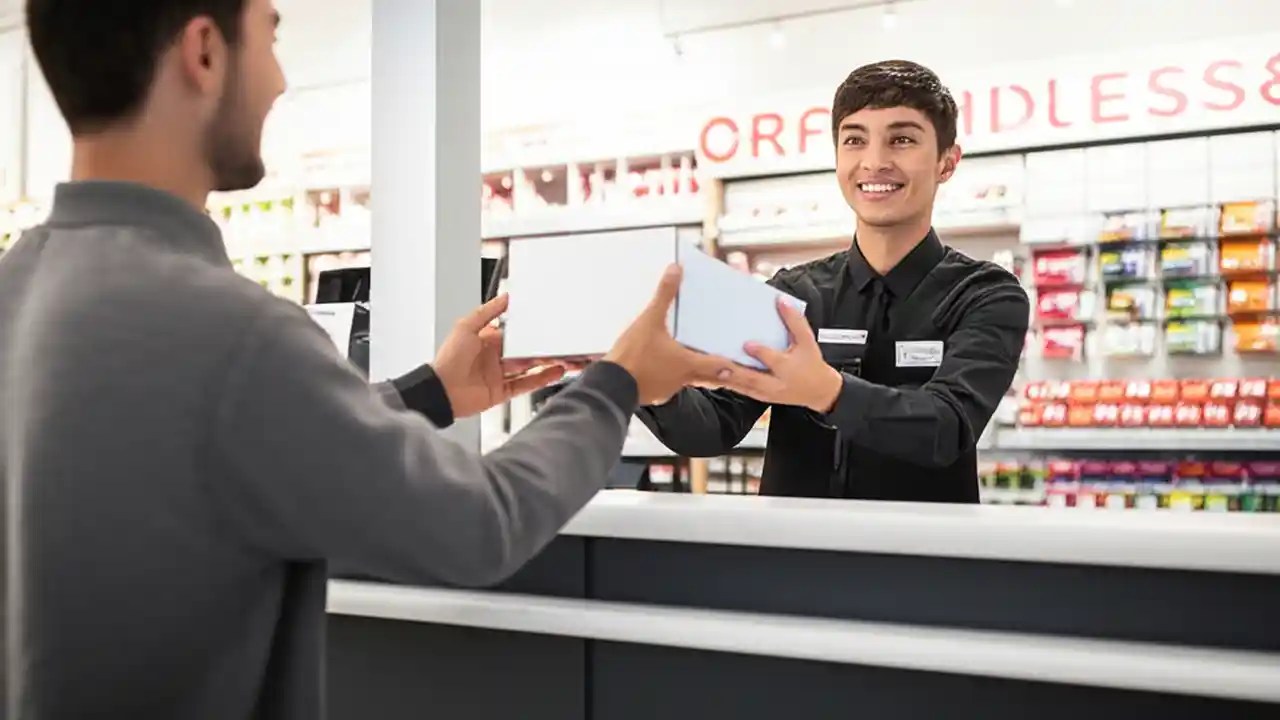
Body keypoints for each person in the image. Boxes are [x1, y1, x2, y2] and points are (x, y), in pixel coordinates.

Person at [0, 1, 738, 718]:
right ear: (203, 52)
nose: (282, 81)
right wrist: (616, 384)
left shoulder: (22, 287)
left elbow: (225, 446)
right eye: (271, 36)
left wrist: (428, 393)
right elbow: (481, 524)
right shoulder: (236, 331)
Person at [639, 60, 1030, 503]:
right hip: (793, 561)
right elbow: (714, 426)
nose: (875, 162)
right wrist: (654, 385)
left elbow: (946, 427)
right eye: (854, 140)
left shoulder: (987, 295)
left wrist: (826, 391)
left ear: (947, 161)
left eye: (901, 139)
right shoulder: (791, 293)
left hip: (924, 563)